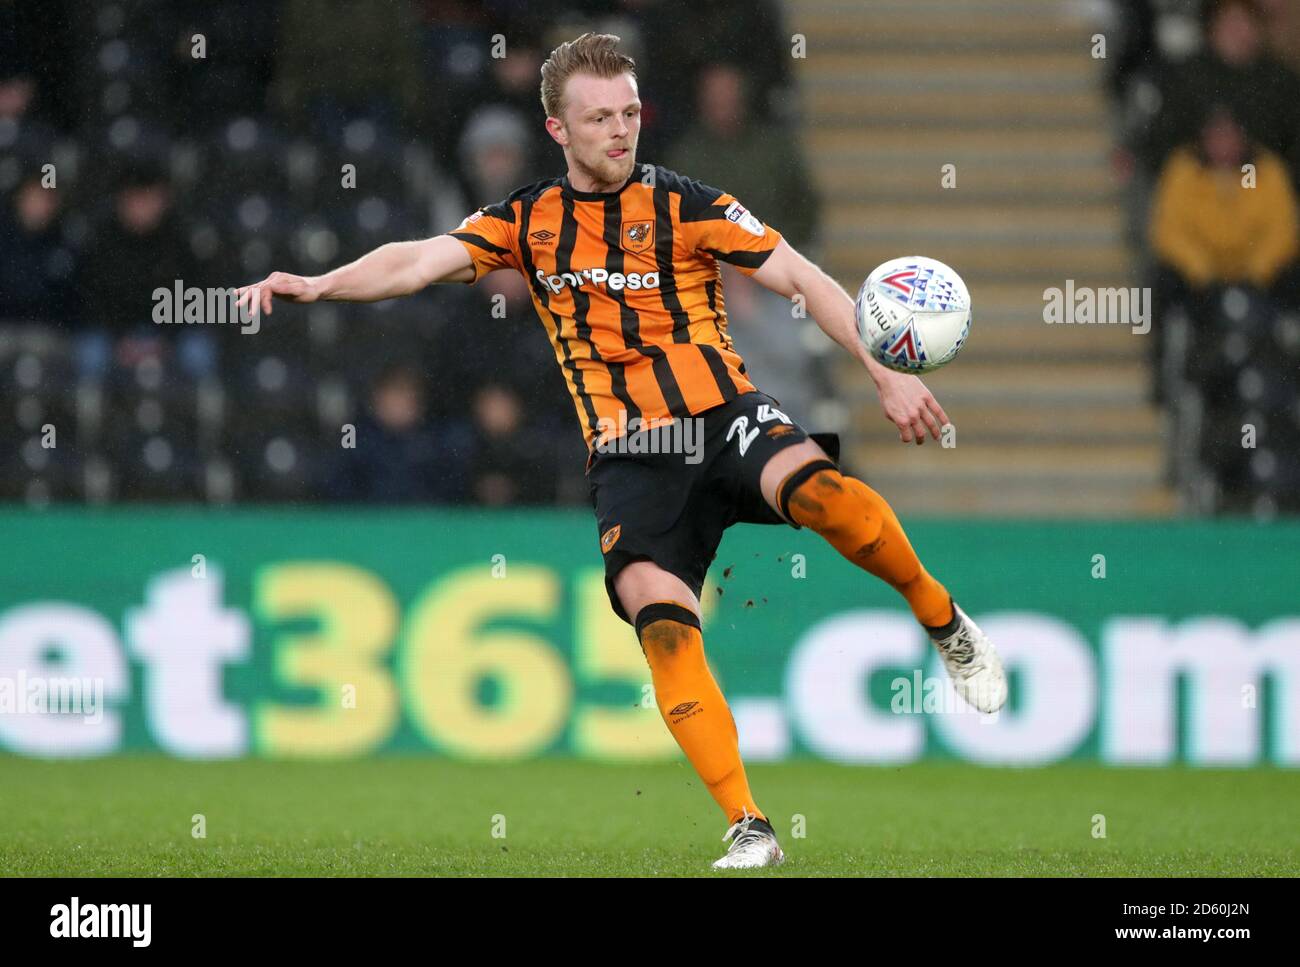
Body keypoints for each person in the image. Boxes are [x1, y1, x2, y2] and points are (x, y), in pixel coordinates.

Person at [236, 32, 1007, 871]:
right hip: (629, 457)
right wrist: (315, 284)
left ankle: (945, 623)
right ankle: (750, 825)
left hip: (724, 415)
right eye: (598, 117)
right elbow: (416, 261)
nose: (619, 130)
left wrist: (881, 373)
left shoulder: (688, 204)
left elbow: (804, 279)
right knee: (665, 629)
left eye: (630, 112)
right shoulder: (526, 221)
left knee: (826, 495)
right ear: (557, 130)